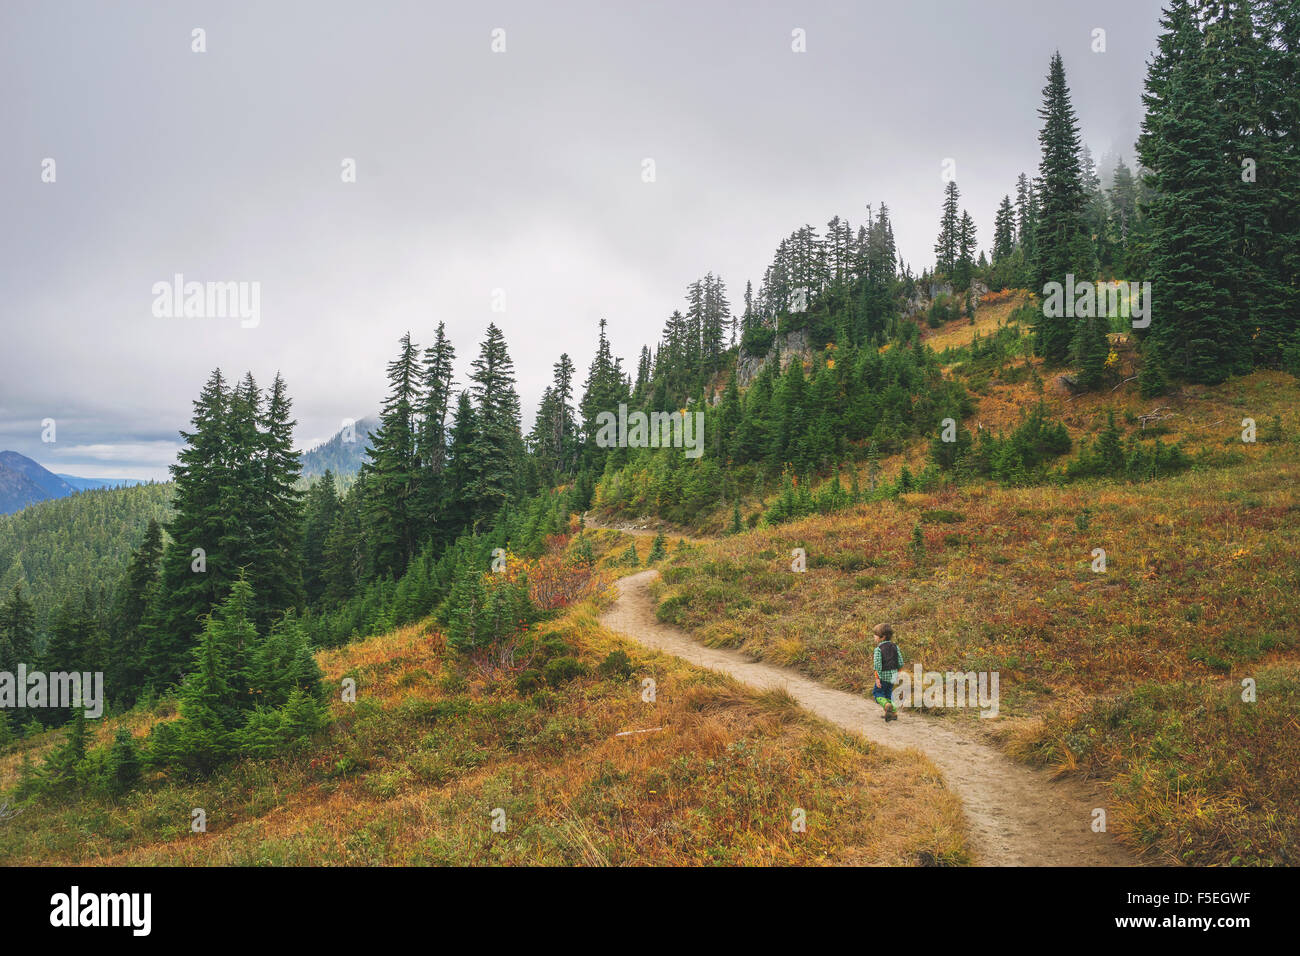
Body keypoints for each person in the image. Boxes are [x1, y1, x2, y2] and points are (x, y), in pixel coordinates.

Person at [871, 622, 903, 721]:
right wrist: (898, 673)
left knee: (877, 693)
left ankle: (887, 705)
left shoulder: (878, 649)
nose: (874, 636)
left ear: (882, 637)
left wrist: (877, 678)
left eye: (876, 635)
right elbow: (900, 661)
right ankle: (893, 713)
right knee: (888, 693)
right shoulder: (895, 646)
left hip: (883, 676)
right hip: (893, 675)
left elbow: (877, 665)